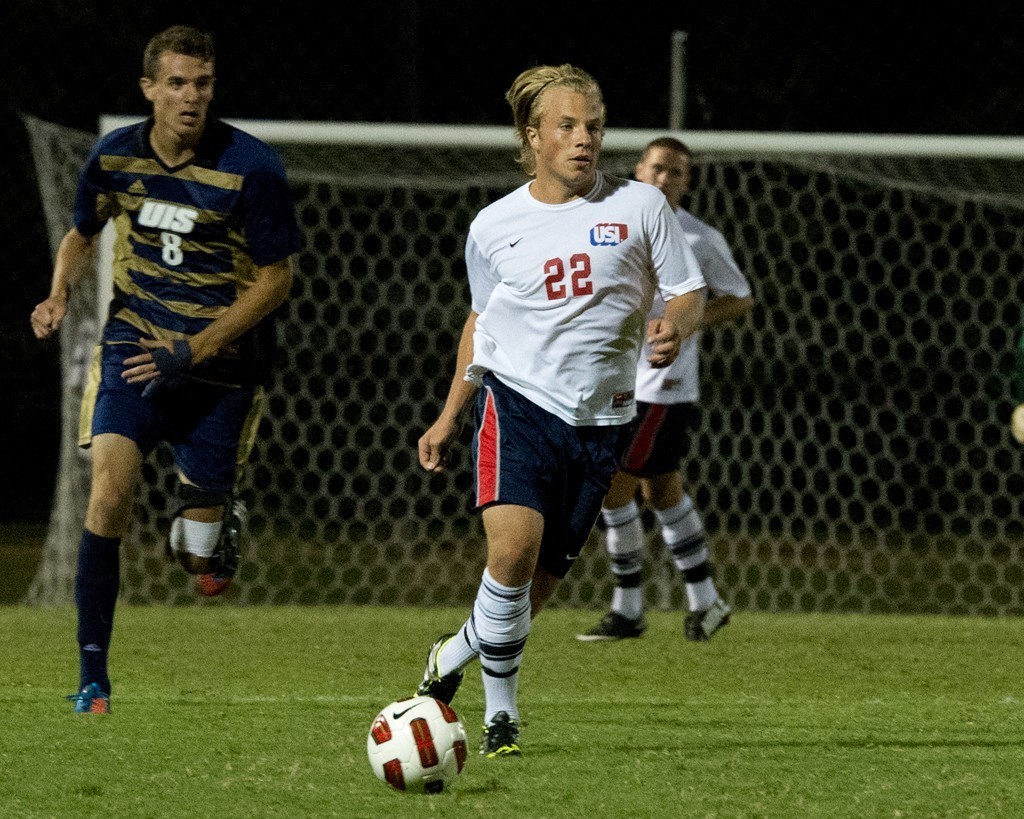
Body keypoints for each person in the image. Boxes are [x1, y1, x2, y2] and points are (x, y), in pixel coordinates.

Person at [414, 65, 707, 757]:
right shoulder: (494, 227)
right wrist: (450, 412)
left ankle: (451, 654)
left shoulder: (640, 207)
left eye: (594, 127)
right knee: (510, 556)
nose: (584, 140)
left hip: (602, 424)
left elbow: (687, 290)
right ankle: (501, 716)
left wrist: (676, 325)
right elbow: (481, 324)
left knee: (531, 595)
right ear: (533, 137)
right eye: (568, 127)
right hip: (517, 408)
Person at [30, 25, 301, 714]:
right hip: (134, 351)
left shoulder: (252, 167)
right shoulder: (115, 157)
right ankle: (94, 677)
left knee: (197, 562)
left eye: (202, 84)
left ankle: (214, 530)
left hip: (220, 371)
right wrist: (60, 290)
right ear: (148, 88)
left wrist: (199, 346)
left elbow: (276, 280)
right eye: (176, 83)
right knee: (109, 491)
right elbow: (82, 233)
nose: (191, 97)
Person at [577, 137, 754, 644]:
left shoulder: (699, 239)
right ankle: (706, 602)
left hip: (664, 386)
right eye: (658, 168)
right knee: (662, 492)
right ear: (639, 170)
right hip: (617, 377)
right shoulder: (616, 226)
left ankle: (628, 608)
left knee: (612, 485)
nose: (665, 178)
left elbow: (739, 299)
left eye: (676, 172)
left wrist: (685, 324)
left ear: (686, 181)